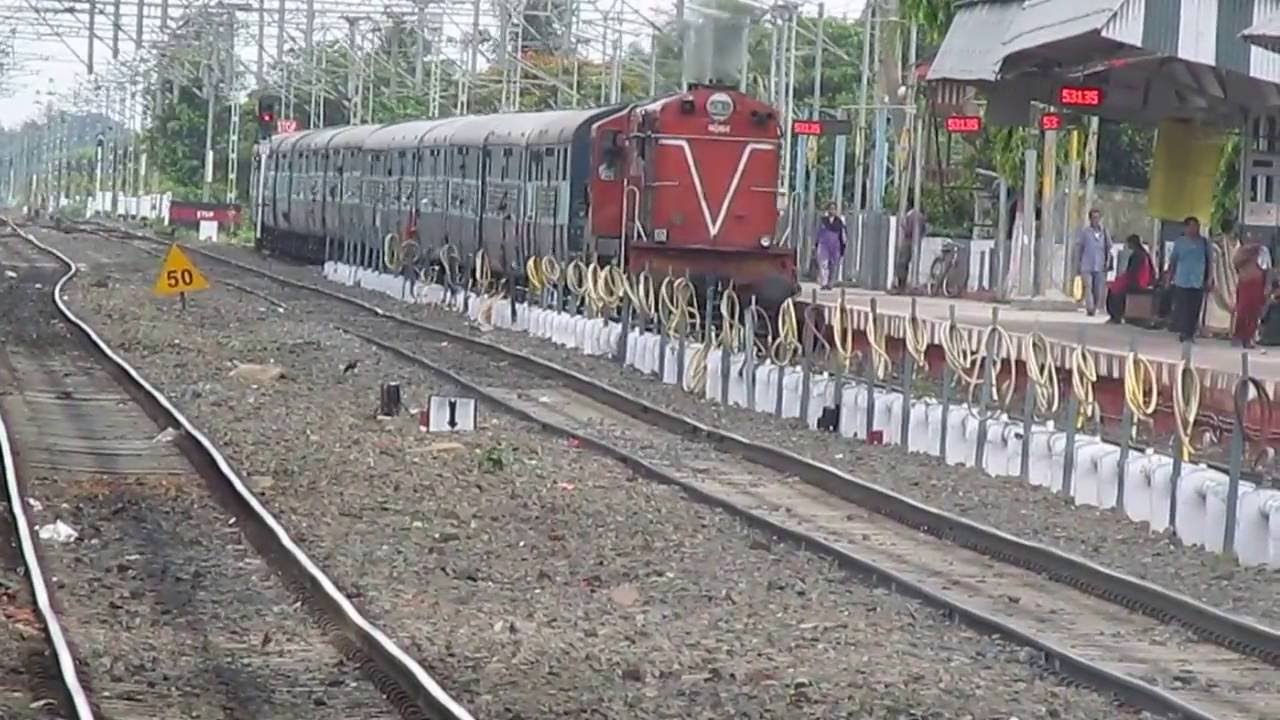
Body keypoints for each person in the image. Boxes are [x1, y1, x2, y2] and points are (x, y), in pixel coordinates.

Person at [1166, 216, 1214, 343]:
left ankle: (1191, 332)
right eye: (1191, 226)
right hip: (1182, 280)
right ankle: (1183, 332)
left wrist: (1209, 278)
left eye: (1196, 226)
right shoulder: (1179, 243)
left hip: (1197, 281)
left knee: (1195, 309)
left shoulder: (1204, 243)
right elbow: (1173, 261)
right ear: (1185, 228)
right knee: (1182, 308)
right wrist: (1169, 278)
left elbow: (1210, 262)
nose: (1194, 229)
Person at [1232, 231, 1270, 348]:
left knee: (1254, 312)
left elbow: (1267, 269)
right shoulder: (1242, 251)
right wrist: (1248, 253)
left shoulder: (1263, 251)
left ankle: (1249, 338)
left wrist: (1267, 286)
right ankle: (1238, 336)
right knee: (1242, 310)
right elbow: (1236, 263)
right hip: (1244, 284)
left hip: (1257, 284)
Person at [1105, 234, 1155, 323]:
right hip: (1142, 281)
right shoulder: (1145, 254)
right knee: (1116, 285)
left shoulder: (1137, 255)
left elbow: (1132, 272)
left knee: (1115, 289)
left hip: (1137, 281)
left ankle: (1116, 314)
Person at [1074, 208, 1113, 316]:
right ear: (1090, 219)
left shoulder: (1104, 232)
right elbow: (1080, 248)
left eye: (1097, 218)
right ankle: (1090, 308)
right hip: (1086, 265)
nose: (1095, 220)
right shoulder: (1085, 232)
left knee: (1097, 290)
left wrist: (1107, 262)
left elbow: (1108, 248)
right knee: (1088, 287)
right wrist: (1078, 263)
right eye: (1093, 218)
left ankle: (1095, 307)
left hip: (1100, 266)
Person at [896, 194, 926, 292]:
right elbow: (924, 230)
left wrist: (903, 226)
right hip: (916, 242)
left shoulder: (910, 216)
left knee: (902, 263)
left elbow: (908, 230)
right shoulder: (921, 216)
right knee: (907, 263)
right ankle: (903, 285)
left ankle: (901, 285)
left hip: (908, 241)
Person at [816, 202, 847, 290]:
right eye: (830, 209)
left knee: (833, 265)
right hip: (824, 245)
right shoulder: (823, 221)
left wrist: (843, 247)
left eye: (833, 209)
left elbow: (843, 236)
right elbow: (818, 233)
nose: (831, 211)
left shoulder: (839, 222)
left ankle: (830, 283)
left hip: (835, 246)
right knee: (823, 263)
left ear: (836, 210)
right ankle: (824, 283)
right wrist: (816, 244)